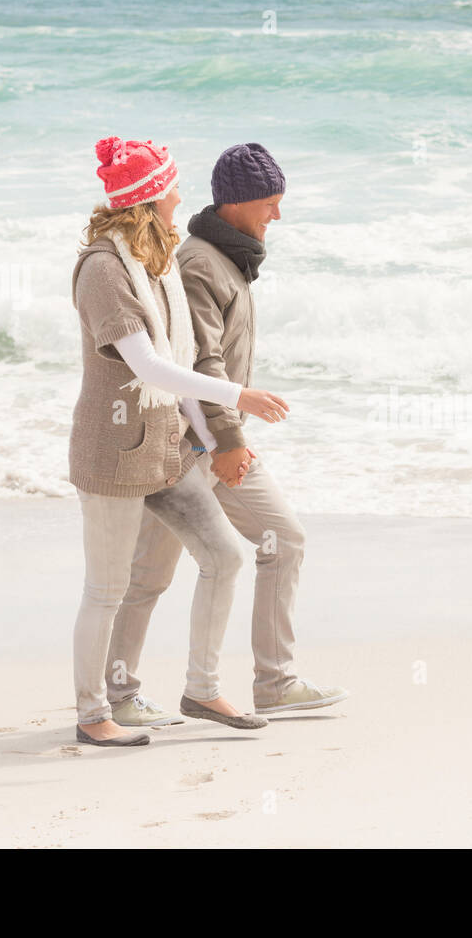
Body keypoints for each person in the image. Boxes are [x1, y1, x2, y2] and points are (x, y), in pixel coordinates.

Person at [105, 142, 348, 719]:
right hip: (189, 447)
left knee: (282, 540)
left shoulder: (229, 257)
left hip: (214, 439)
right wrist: (229, 441)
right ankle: (119, 695)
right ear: (236, 204)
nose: (277, 216)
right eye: (270, 204)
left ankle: (275, 681)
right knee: (149, 576)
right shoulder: (200, 264)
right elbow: (199, 361)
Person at [69, 136, 290, 747]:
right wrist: (237, 399)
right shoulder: (104, 270)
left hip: (166, 451)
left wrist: (219, 431)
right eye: (170, 192)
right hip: (112, 455)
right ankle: (94, 716)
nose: (179, 202)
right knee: (107, 590)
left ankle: (203, 688)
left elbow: (180, 362)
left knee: (225, 557)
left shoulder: (155, 267)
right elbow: (149, 368)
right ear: (146, 203)